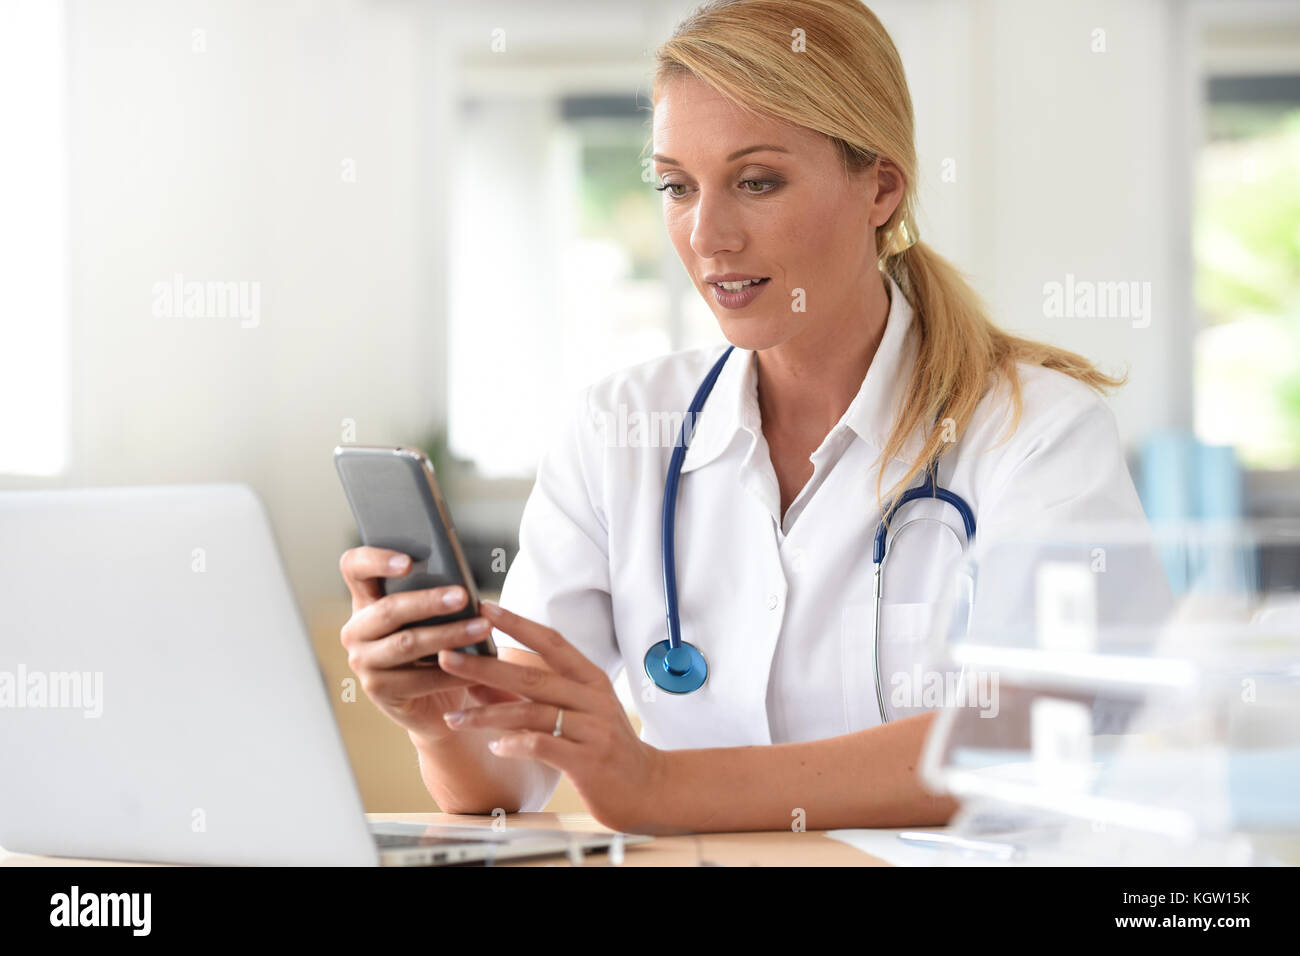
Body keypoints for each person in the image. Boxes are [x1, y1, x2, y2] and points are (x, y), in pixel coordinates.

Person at [337, 0, 1148, 835]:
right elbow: (509, 783)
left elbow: (1038, 728)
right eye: (677, 187)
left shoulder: (1035, 430)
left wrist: (660, 788)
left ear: (881, 186)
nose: (708, 234)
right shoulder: (620, 426)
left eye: (756, 182)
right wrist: (443, 717)